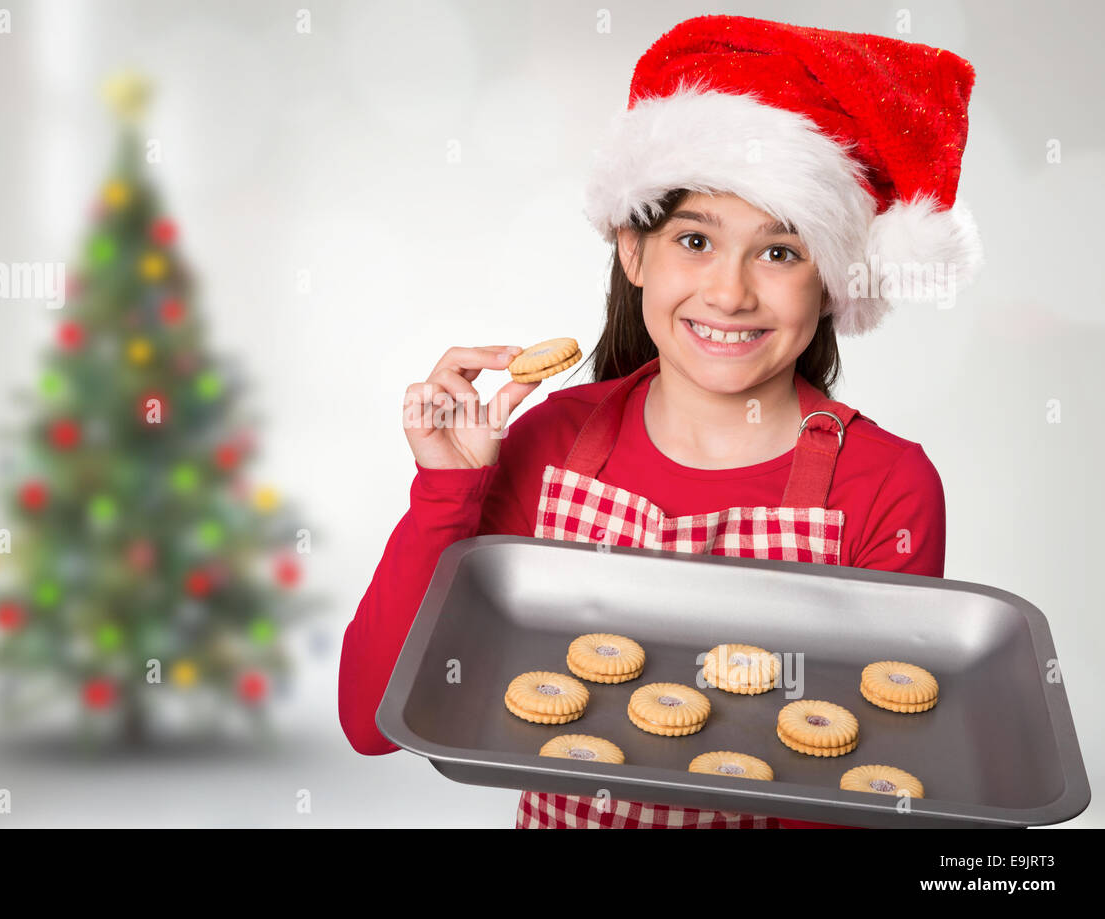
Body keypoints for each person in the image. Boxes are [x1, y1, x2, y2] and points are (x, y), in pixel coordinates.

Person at [339, 14, 983, 828]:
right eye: (694, 239)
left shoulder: (886, 486)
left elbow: (871, 780)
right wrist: (446, 488)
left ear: (831, 284)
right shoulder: (545, 447)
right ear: (633, 252)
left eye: (780, 252)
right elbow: (369, 719)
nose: (730, 293)